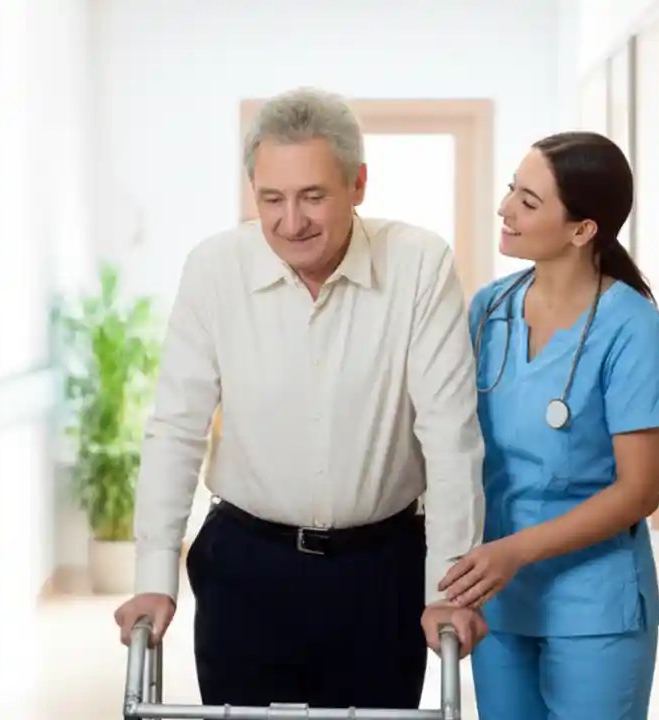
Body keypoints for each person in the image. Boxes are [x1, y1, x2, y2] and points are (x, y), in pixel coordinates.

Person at [112, 86, 489, 711]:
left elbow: (450, 434)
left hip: (382, 569)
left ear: (358, 183)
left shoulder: (419, 265)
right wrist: (155, 580)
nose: (292, 222)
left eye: (313, 196)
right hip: (246, 567)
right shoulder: (214, 268)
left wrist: (448, 585)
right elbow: (177, 427)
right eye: (272, 199)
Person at [437, 131, 659, 719]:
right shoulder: (488, 310)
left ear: (582, 229)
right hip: (498, 597)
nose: (505, 208)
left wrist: (516, 551)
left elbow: (639, 491)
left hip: (594, 605)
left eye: (529, 200)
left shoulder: (633, 329)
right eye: (511, 190)